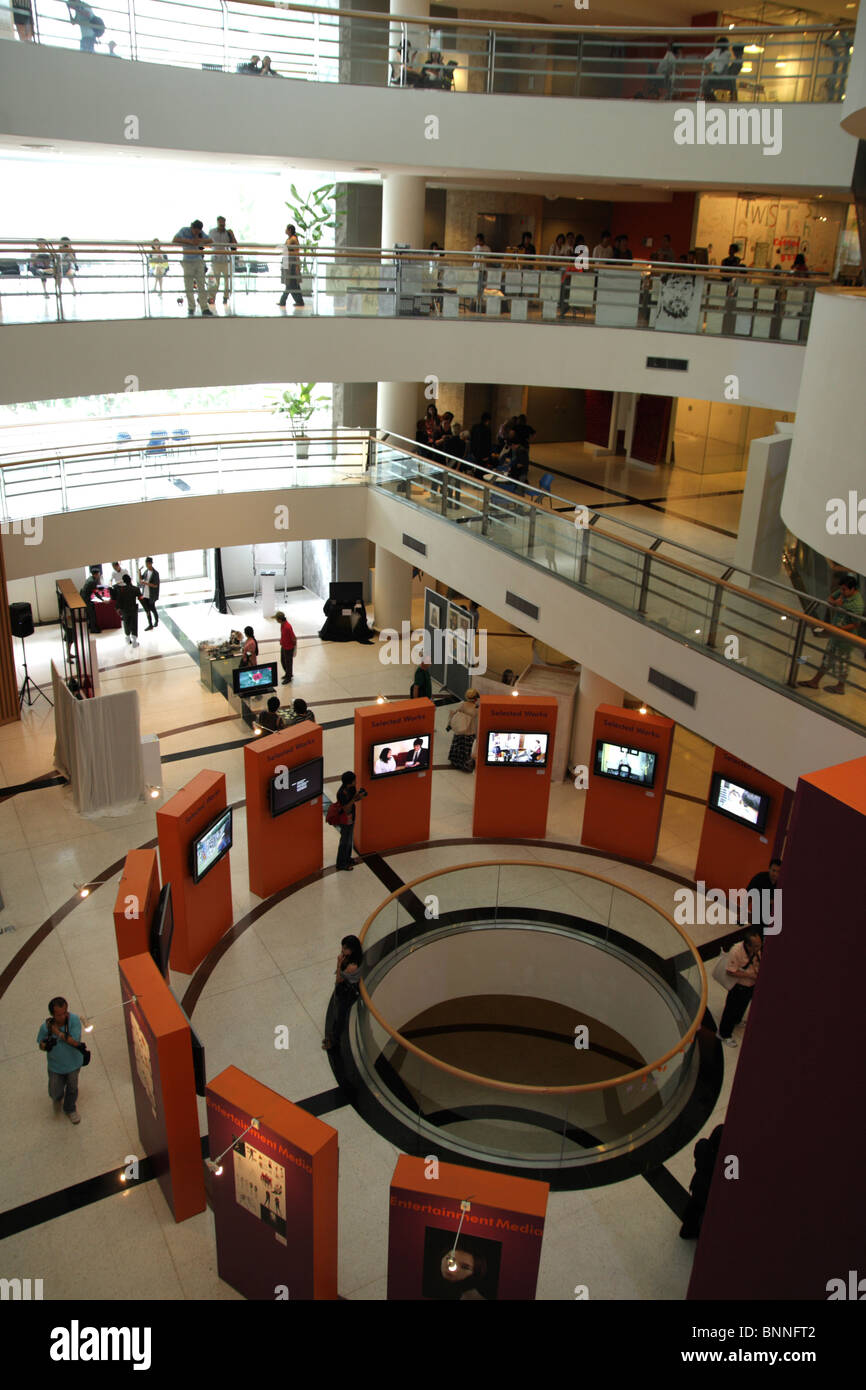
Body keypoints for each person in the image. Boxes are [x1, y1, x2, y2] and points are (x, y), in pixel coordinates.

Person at [798, 574, 864, 695]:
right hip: (835, 635)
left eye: (844, 589)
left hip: (844, 640)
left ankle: (840, 686)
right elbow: (830, 598)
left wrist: (838, 629)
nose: (841, 591)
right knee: (827, 658)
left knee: (841, 663)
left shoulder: (857, 605)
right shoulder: (843, 592)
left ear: (853, 589)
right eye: (841, 589)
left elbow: (855, 624)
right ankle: (815, 681)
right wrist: (835, 603)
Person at [37, 996, 86, 1123]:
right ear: (52, 1015)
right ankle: (57, 1098)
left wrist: (58, 1033)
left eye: (65, 1012)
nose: (63, 1016)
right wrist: (45, 1045)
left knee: (72, 1088)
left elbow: (75, 1042)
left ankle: (70, 1108)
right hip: (55, 1066)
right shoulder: (45, 1028)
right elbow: (40, 1044)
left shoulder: (74, 1020)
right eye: (59, 1015)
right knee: (54, 1091)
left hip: (73, 1064)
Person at [679, 1124, 724, 1238]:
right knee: (699, 1208)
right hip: (706, 1189)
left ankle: (687, 1227)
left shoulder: (703, 1146)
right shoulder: (717, 1160)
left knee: (694, 1207)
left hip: (698, 1184)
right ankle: (691, 1229)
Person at [717, 930, 761, 1047]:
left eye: (759, 944)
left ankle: (737, 1020)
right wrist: (750, 975)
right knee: (731, 1010)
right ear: (748, 945)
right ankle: (724, 1034)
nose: (759, 947)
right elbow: (730, 971)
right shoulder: (736, 951)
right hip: (739, 986)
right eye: (756, 946)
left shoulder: (757, 950)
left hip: (750, 985)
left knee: (743, 1005)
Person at [322, 934, 364, 1048]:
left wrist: (339, 963)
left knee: (340, 1017)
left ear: (352, 949)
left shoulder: (352, 966)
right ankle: (332, 1036)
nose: (342, 950)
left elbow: (339, 979)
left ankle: (334, 1041)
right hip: (344, 989)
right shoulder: (351, 957)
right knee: (337, 1014)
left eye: (345, 948)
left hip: (347, 993)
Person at [172, 220, 214, 317]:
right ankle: (191, 307)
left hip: (198, 260)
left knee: (201, 285)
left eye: (198, 231)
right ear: (192, 227)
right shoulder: (184, 230)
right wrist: (189, 241)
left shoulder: (200, 233)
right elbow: (175, 239)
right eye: (195, 231)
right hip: (187, 261)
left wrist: (200, 241)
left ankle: (204, 308)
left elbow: (210, 240)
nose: (196, 233)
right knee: (188, 285)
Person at [332, 771, 367, 871]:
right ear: (349, 782)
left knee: (349, 839)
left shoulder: (351, 788)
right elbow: (346, 809)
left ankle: (347, 859)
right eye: (354, 780)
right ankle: (341, 863)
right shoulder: (341, 793)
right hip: (344, 819)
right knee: (344, 841)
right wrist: (354, 799)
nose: (356, 782)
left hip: (351, 817)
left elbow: (354, 799)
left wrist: (359, 796)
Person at [746, 858, 782, 935]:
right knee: (755, 934)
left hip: (773, 916)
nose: (775, 874)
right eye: (773, 870)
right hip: (757, 912)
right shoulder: (760, 878)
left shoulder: (782, 883)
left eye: (778, 872)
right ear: (769, 869)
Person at [446, 686, 479, 771]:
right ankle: (466, 765)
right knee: (467, 749)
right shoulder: (476, 708)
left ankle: (455, 762)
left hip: (459, 730)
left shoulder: (462, 704)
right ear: (475, 698)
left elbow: (455, 714)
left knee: (457, 745)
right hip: (470, 731)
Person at [209, 216, 238, 305]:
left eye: (223, 223)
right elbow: (208, 243)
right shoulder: (212, 232)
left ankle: (226, 297)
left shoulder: (228, 233)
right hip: (215, 259)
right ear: (217, 222)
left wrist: (232, 235)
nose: (222, 224)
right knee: (214, 281)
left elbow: (234, 246)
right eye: (220, 223)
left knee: (228, 280)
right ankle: (211, 297)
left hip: (226, 260)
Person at [278, 224, 304, 308]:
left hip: (292, 263)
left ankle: (283, 301)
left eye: (286, 229)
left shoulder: (293, 239)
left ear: (289, 230)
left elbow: (295, 251)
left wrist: (297, 265)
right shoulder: (289, 239)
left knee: (290, 282)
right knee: (292, 283)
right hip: (288, 262)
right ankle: (299, 301)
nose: (285, 230)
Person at [114, 572, 142, 647]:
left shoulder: (121, 590)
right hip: (133, 609)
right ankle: (134, 642)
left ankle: (128, 639)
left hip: (125, 610)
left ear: (124, 581)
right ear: (130, 580)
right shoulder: (135, 589)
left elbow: (118, 601)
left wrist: (117, 609)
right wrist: (146, 609)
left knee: (126, 624)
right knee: (134, 624)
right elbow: (141, 598)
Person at [701, 36, 730, 100]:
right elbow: (705, 60)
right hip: (714, 73)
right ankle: (710, 98)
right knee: (705, 83)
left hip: (722, 74)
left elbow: (725, 66)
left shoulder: (727, 54)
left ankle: (710, 98)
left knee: (706, 82)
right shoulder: (716, 52)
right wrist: (709, 70)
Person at [274, 609, 296, 683]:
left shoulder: (287, 627)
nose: (276, 621)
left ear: (280, 619)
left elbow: (293, 637)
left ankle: (288, 677)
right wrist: (281, 641)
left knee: (288, 663)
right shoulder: (282, 625)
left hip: (288, 648)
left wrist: (293, 647)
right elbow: (283, 635)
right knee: (283, 661)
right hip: (284, 646)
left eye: (276, 619)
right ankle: (287, 674)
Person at [79, 566, 102, 634]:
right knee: (92, 614)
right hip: (85, 599)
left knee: (90, 613)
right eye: (99, 573)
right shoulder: (92, 581)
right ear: (95, 574)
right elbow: (95, 592)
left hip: (84, 597)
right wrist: (102, 599)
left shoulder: (90, 578)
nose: (99, 574)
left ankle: (91, 626)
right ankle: (93, 629)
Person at [138, 557, 160, 629]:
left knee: (152, 608)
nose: (146, 565)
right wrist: (139, 572)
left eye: (148, 564)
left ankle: (156, 621)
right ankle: (150, 624)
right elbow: (141, 579)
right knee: (147, 610)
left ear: (151, 563)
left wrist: (146, 583)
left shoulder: (155, 573)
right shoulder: (146, 571)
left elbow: (155, 585)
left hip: (151, 595)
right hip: (145, 594)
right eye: (146, 564)